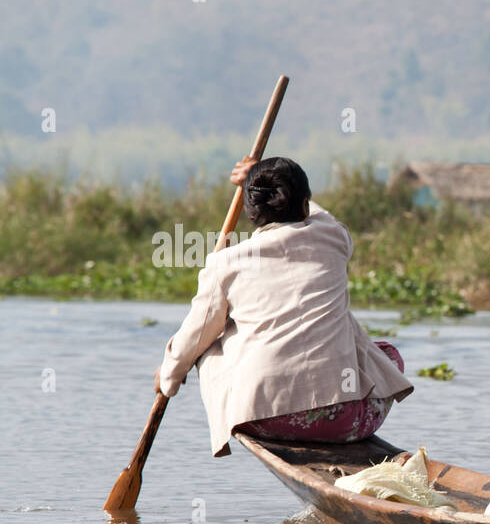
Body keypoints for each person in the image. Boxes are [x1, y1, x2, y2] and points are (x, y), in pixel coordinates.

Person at [155, 156, 413, 456]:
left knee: (209, 346)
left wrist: (169, 377)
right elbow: (321, 215)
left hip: (258, 418)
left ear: (251, 213)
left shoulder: (225, 263)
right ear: (305, 205)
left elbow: (193, 334)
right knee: (388, 357)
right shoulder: (335, 238)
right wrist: (259, 176)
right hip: (342, 421)